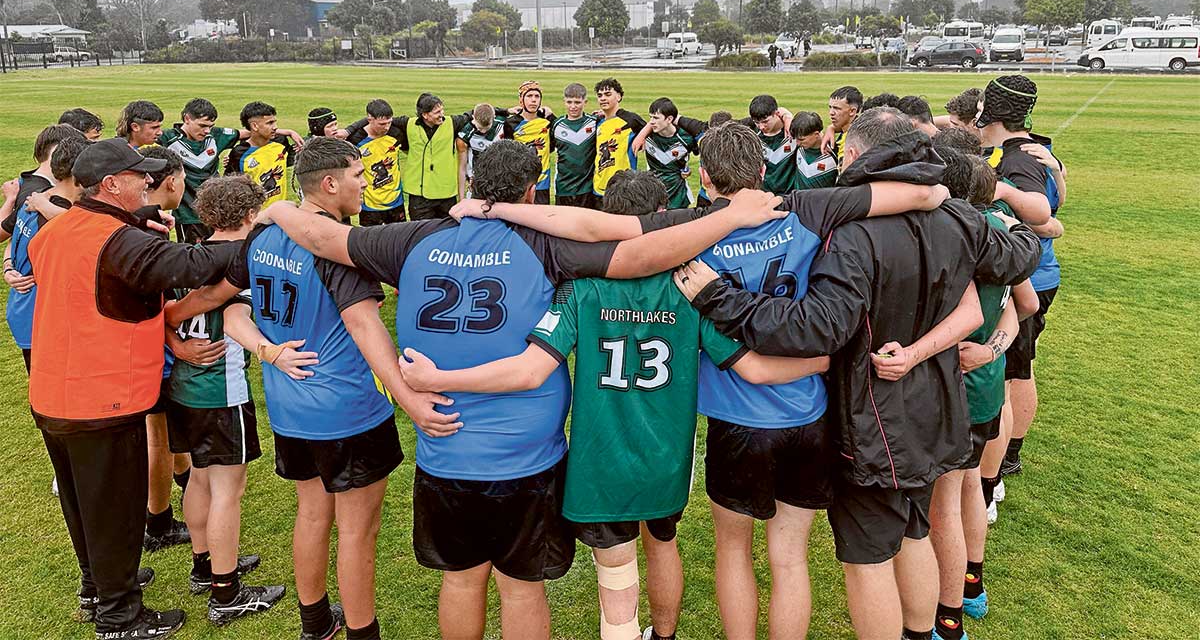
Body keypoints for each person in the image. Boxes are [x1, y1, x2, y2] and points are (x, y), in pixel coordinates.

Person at [259, 139, 786, 640]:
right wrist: (730, 217)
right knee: (521, 588)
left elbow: (327, 240)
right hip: (527, 455)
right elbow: (643, 253)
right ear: (532, 194)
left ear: (472, 179)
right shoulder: (543, 242)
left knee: (461, 579)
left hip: (445, 446)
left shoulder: (413, 238)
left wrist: (281, 210)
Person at [489, 121, 954, 640]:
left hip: (738, 421)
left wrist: (497, 207)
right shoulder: (807, 207)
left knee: (733, 553)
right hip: (807, 412)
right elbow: (923, 191)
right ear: (762, 168)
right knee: (790, 559)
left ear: (704, 177)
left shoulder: (690, 230)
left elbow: (587, 226)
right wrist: (940, 189)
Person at [397, 169, 830, 640]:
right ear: (663, 218)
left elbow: (530, 369)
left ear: (607, 218)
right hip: (664, 452)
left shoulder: (580, 289)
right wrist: (826, 360)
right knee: (663, 545)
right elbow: (755, 369)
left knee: (616, 570)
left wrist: (435, 378)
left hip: (601, 455)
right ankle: (664, 636)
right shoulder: (692, 288)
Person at [673, 108, 1043, 640]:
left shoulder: (851, 230)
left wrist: (717, 299)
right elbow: (1017, 259)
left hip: (870, 416)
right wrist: (1003, 217)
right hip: (934, 408)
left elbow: (817, 328)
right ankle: (937, 627)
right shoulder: (957, 216)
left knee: (867, 554)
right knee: (913, 530)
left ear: (852, 157)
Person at [221, 138, 460, 640]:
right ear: (329, 184)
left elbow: (231, 308)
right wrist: (409, 398)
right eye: (357, 174)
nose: (366, 181)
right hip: (346, 411)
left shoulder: (263, 236)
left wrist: (268, 351)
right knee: (357, 531)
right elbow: (365, 329)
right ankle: (360, 632)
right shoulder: (331, 244)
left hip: (290, 409)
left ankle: (314, 625)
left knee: (312, 513)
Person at [29, 138, 246, 638]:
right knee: (114, 509)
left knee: (83, 505)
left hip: (55, 391)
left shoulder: (60, 229)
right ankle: (120, 615)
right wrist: (252, 240)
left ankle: (99, 585)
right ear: (111, 185)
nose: (146, 183)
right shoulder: (115, 239)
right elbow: (190, 266)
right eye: (137, 177)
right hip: (102, 397)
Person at [160, 175, 286, 625]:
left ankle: (203, 566)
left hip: (182, 388)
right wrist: (268, 350)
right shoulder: (245, 258)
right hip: (220, 389)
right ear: (251, 215)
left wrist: (173, 336)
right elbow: (233, 316)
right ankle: (226, 592)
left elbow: (163, 309)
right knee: (227, 490)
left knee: (198, 476)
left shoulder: (186, 255)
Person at [926, 150, 1038, 640]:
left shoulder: (951, 240)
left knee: (942, 504)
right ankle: (972, 585)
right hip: (986, 388)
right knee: (971, 486)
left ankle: (946, 617)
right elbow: (1026, 301)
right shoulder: (1002, 229)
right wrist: (994, 351)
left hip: (951, 392)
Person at [974, 76, 1064, 480]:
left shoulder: (1018, 160)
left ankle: (1002, 463)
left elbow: (1041, 214)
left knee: (1010, 377)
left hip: (1027, 279)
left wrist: (1011, 201)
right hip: (1031, 275)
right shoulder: (1034, 149)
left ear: (990, 111)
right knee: (1014, 372)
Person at [137, 146, 196, 555]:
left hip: (148, 349)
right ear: (173, 181)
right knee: (158, 437)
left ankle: (186, 482)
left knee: (167, 434)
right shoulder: (149, 231)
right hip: (154, 353)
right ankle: (158, 521)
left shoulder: (145, 220)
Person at [4, 135, 89, 373]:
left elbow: (13, 240)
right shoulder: (52, 214)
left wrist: (8, 266)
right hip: (44, 319)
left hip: (24, 311)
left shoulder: (34, 199)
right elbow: (94, 233)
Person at [157, 98, 246, 243]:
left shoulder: (215, 136)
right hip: (188, 216)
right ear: (187, 119)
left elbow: (251, 133)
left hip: (216, 212)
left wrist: (286, 132)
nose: (206, 131)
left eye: (210, 126)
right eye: (202, 125)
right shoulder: (169, 139)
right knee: (193, 256)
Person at [0, 124, 85, 242]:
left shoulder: (27, 183)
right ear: (57, 153)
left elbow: (9, 231)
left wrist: (10, 200)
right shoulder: (50, 198)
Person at [345, 99, 408, 226]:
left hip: (396, 200)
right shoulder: (356, 140)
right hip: (369, 205)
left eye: (389, 123)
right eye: (382, 124)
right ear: (369, 119)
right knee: (372, 243)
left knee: (398, 241)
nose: (386, 127)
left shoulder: (396, 134)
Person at [225, 101, 297, 208]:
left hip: (281, 214)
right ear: (254, 126)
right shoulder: (239, 154)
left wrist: (291, 133)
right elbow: (230, 189)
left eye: (275, 122)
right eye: (269, 123)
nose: (275, 127)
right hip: (256, 218)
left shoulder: (280, 143)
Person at [591, 78, 646, 205]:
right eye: (600, 95)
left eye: (608, 94)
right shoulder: (597, 122)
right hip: (599, 188)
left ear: (619, 96)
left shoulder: (630, 119)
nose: (603, 98)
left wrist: (642, 136)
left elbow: (653, 127)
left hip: (623, 188)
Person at [640, 98, 700, 209]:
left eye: (656, 118)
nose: (651, 122)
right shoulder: (646, 135)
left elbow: (699, 156)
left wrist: (686, 169)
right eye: (651, 117)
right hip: (653, 191)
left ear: (669, 119)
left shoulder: (686, 138)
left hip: (678, 193)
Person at [504, 81, 556, 205]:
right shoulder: (511, 123)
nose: (533, 100)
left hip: (542, 183)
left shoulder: (547, 121)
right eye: (529, 96)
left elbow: (552, 146)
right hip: (519, 182)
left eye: (537, 96)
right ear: (521, 100)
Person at [549, 83, 599, 208]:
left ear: (585, 102)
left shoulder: (594, 122)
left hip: (586, 189)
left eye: (577, 102)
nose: (573, 106)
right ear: (564, 102)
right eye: (569, 102)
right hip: (563, 187)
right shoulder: (557, 125)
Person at [747, 95, 796, 195]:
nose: (761, 127)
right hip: (764, 197)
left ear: (776, 114)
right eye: (757, 122)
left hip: (790, 197)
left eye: (765, 122)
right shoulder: (753, 135)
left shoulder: (793, 131)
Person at [456, 103, 504, 201]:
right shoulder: (465, 135)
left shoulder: (502, 125)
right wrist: (461, 198)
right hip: (475, 183)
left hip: (497, 182)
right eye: (480, 127)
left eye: (487, 127)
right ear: (473, 117)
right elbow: (462, 167)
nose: (483, 131)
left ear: (494, 117)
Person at [789, 110, 839, 191]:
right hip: (797, 201)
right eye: (796, 139)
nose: (797, 143)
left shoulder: (834, 152)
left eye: (802, 139)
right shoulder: (799, 148)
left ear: (816, 134)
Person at [822, 85, 863, 160]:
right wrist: (831, 128)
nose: (831, 112)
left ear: (852, 111)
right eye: (830, 107)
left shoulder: (851, 143)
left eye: (837, 108)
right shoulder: (849, 129)